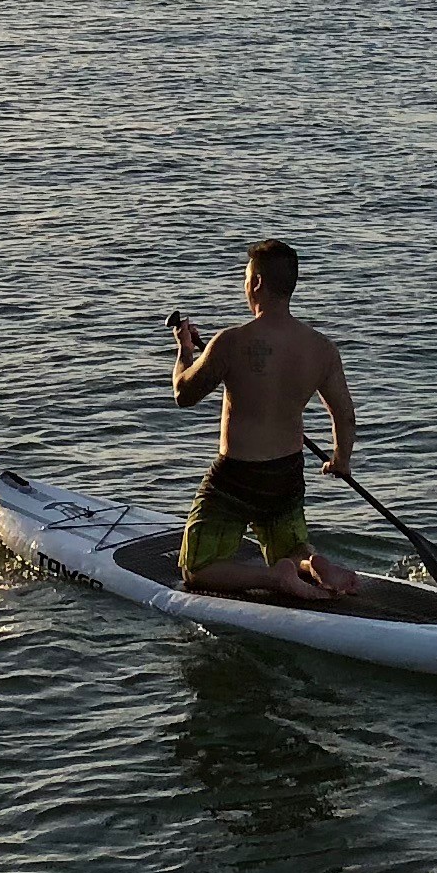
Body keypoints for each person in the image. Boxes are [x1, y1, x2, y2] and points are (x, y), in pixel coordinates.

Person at [166, 239, 361, 602]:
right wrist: (341, 460)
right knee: (287, 545)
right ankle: (310, 561)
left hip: (236, 478)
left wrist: (185, 352)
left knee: (197, 568)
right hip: (286, 474)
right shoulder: (321, 348)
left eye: (245, 278)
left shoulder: (230, 342)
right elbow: (345, 414)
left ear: (256, 283)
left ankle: (277, 579)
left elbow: (183, 394)